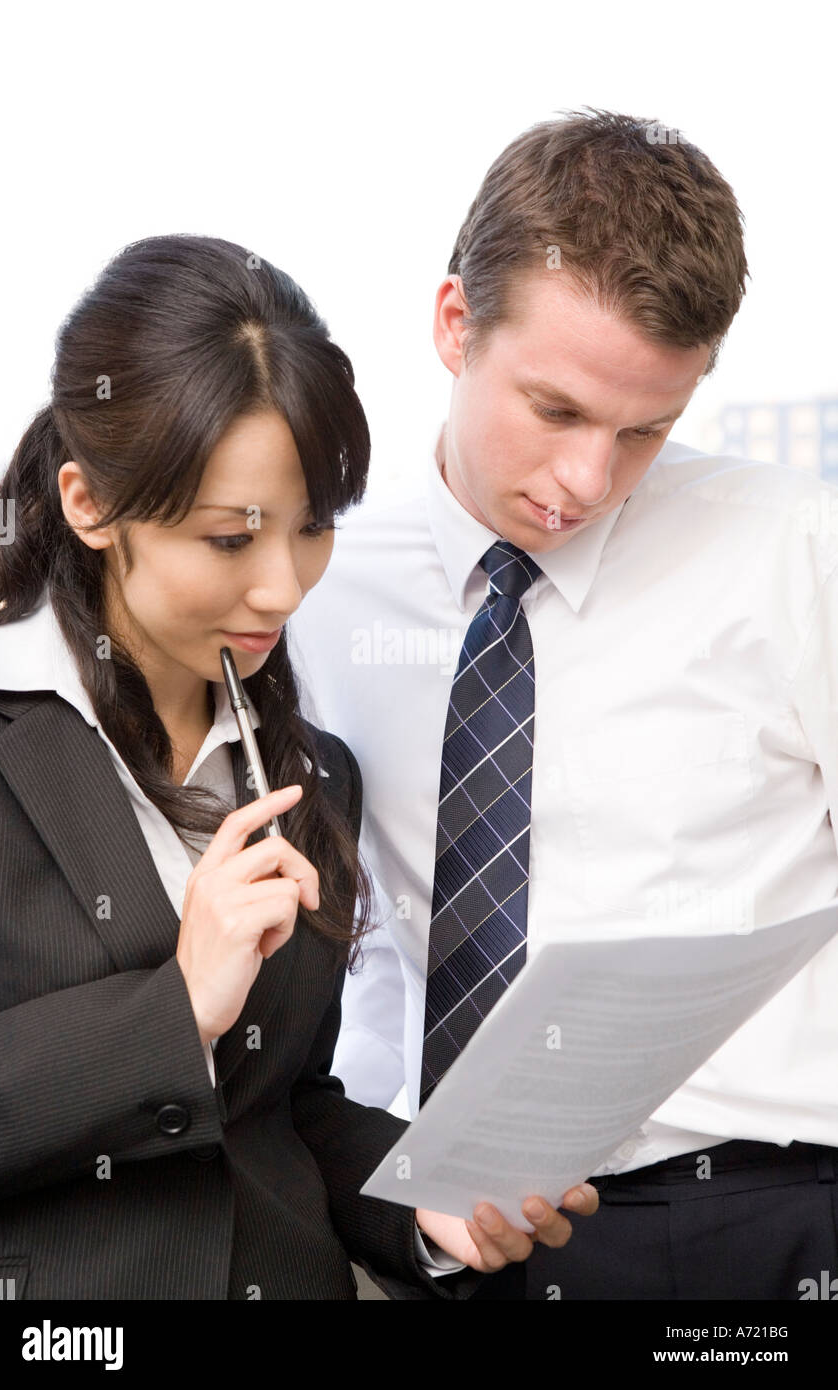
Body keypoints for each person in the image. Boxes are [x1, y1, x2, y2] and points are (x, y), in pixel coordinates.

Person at [0, 234, 599, 1301]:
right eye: (231, 539)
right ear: (88, 505)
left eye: (311, 528)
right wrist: (175, 1008)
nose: (282, 588)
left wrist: (424, 1201)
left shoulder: (311, 776)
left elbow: (281, 1108)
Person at [287, 109, 838, 1300]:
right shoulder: (316, 592)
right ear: (452, 326)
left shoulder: (792, 547)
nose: (586, 481)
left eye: (645, 430)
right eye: (555, 411)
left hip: (755, 1213)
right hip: (434, 1231)